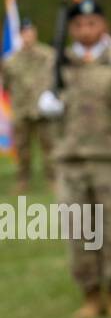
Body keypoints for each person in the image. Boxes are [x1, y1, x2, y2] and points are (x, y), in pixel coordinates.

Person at [37, 0, 111, 318]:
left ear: (104, 25)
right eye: (79, 25)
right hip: (70, 159)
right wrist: (46, 106)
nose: (86, 30)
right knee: (79, 230)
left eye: (92, 23)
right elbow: (39, 107)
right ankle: (91, 294)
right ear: (71, 29)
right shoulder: (59, 64)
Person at [1, 20, 58, 194]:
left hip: (42, 109)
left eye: (30, 32)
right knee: (22, 148)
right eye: (24, 33)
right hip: (21, 109)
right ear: (20, 35)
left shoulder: (48, 55)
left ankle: (53, 179)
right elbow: (6, 85)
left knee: (49, 147)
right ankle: (22, 180)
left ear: (35, 33)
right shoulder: (10, 60)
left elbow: (56, 79)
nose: (27, 36)